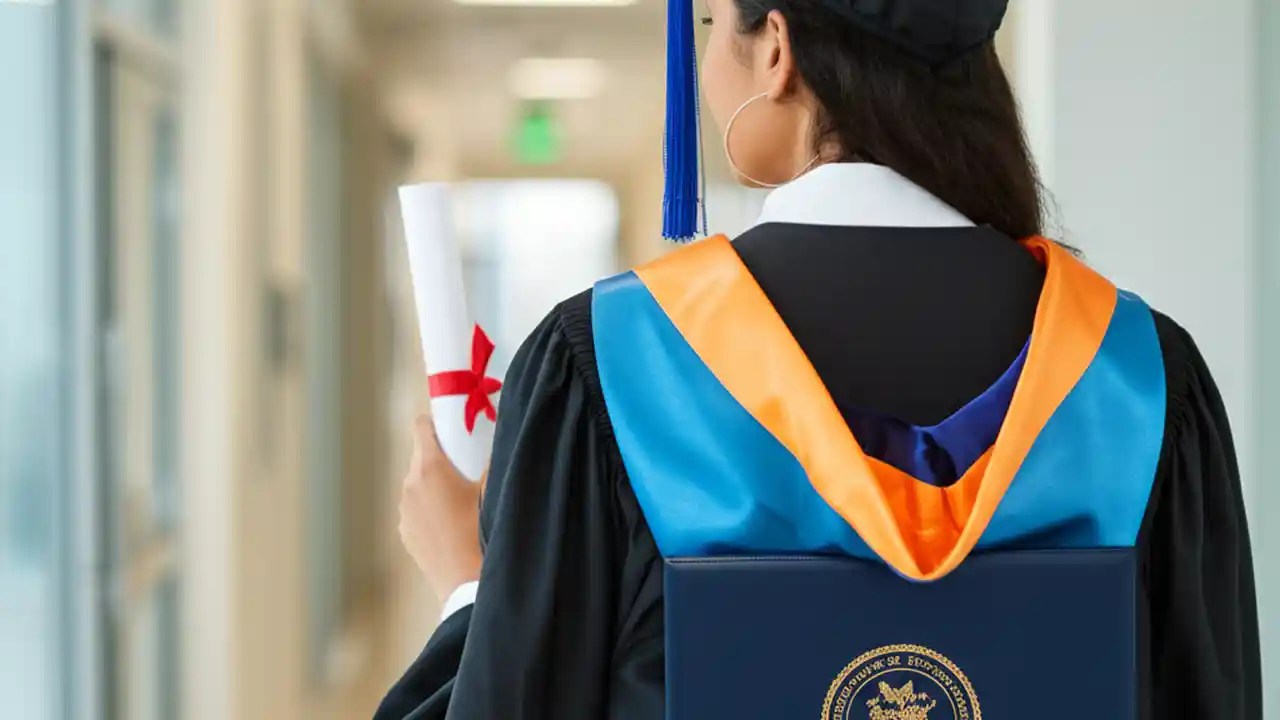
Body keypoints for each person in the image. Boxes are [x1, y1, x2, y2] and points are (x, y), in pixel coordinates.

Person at [377, 0, 1263, 717]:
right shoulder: (1141, 377)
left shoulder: (609, 367)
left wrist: (474, 588)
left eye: (710, 25)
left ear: (777, 53)